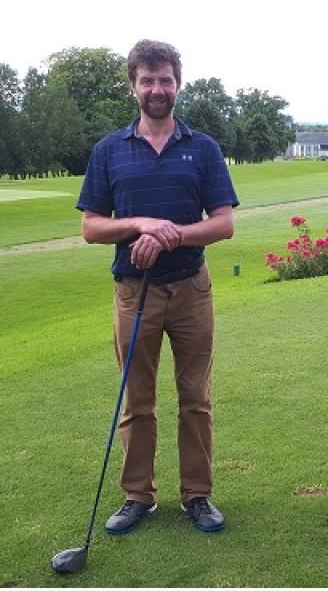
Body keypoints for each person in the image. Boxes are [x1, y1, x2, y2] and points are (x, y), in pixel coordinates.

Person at [76, 39, 238, 535]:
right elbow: (92, 227)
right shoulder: (109, 150)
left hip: (191, 288)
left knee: (195, 397)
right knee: (137, 398)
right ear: (133, 86)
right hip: (134, 292)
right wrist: (141, 224)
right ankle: (137, 496)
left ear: (178, 84)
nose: (157, 89)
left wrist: (170, 236)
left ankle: (197, 495)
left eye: (165, 79)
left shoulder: (203, 148)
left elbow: (224, 223)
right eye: (147, 80)